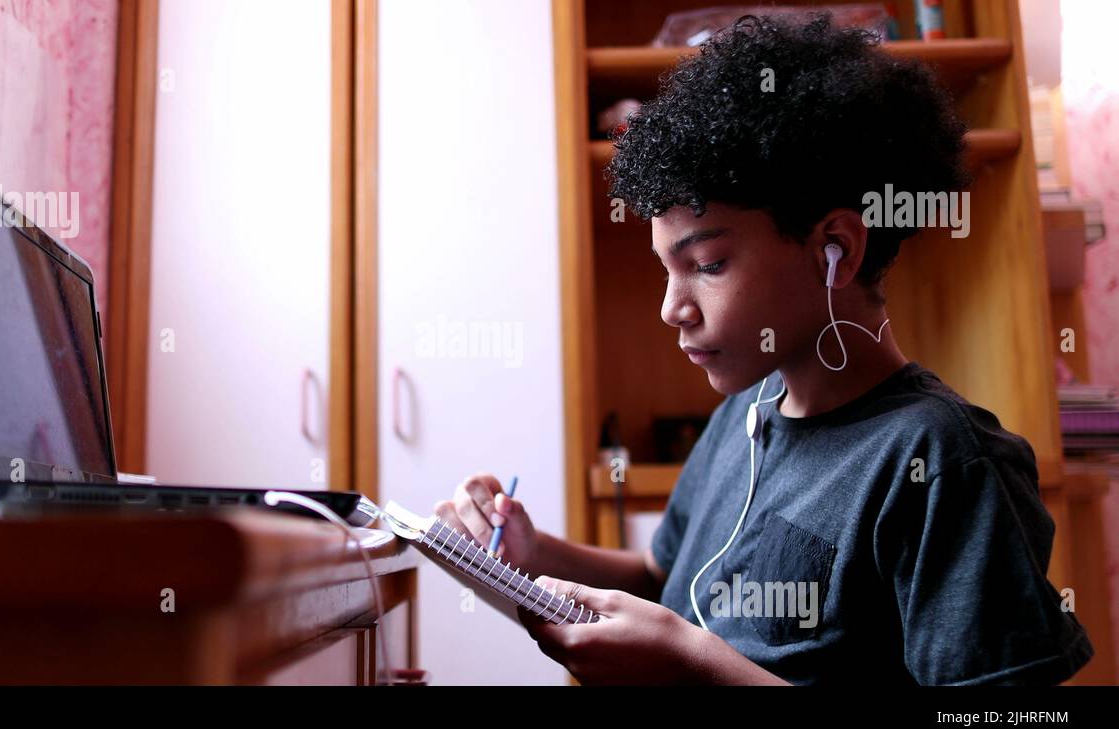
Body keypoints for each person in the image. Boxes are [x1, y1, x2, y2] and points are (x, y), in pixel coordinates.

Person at [434, 14, 1092, 685]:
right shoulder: (746, 412)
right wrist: (529, 550)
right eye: (668, 267)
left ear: (835, 248)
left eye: (709, 264)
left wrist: (693, 662)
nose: (671, 308)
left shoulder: (940, 461)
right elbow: (668, 577)